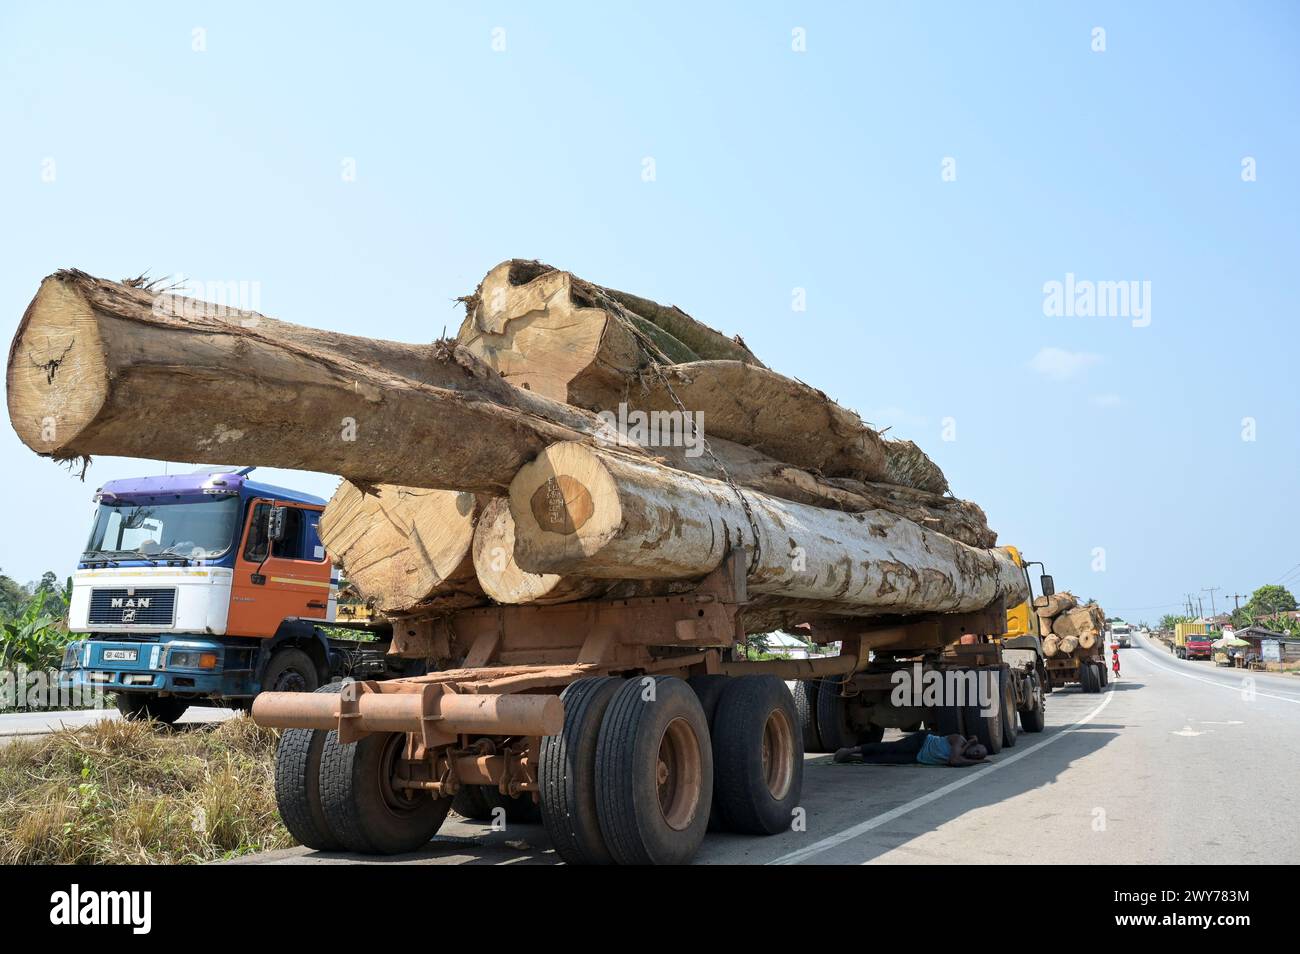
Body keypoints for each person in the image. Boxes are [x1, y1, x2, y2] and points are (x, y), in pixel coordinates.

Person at [833, 732, 989, 767]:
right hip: (921, 742)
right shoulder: (958, 739)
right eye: (977, 751)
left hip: (919, 757)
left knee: (887, 759)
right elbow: (954, 760)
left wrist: (976, 759)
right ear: (973, 745)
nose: (974, 756)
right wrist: (968, 745)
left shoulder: (964, 756)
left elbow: (957, 760)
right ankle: (852, 749)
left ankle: (854, 758)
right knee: (891, 748)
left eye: (977, 757)